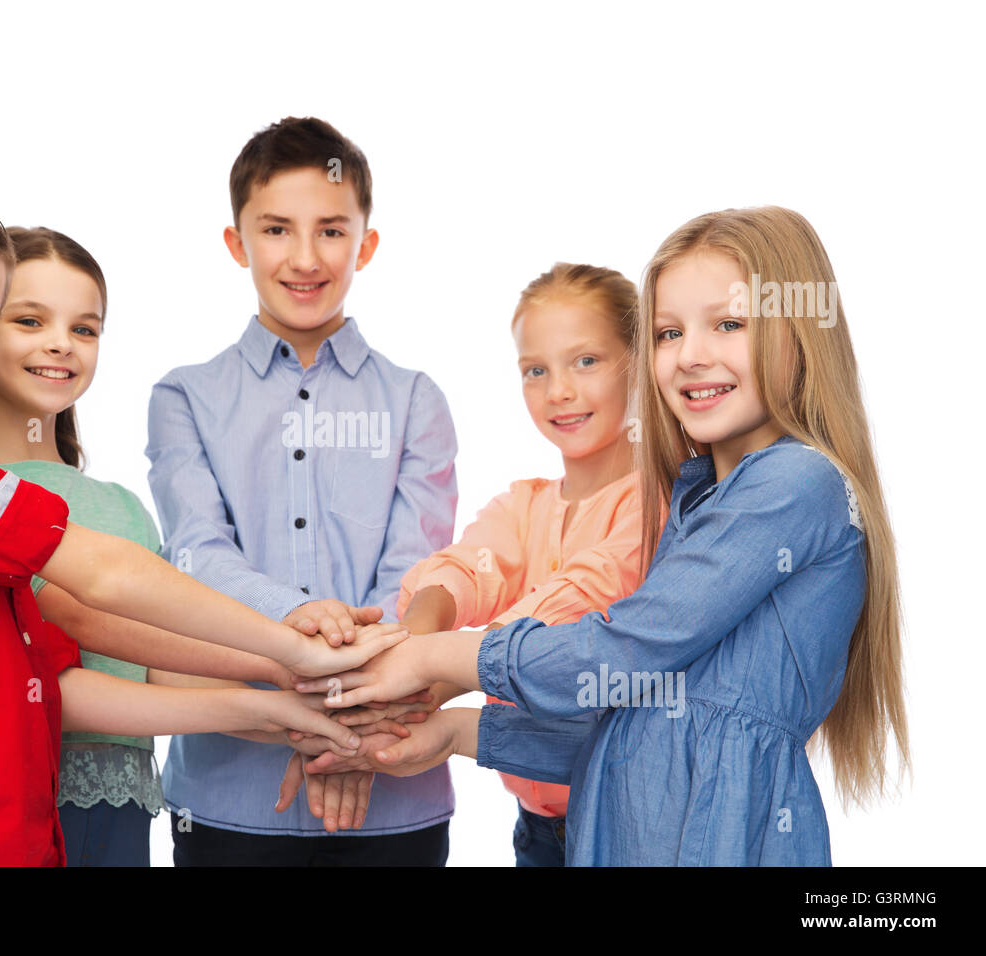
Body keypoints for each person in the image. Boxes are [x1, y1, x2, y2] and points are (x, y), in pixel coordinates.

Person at [0, 174, 407, 866]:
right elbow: (104, 576)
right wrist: (290, 649)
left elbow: (81, 633)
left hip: (6, 834)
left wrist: (277, 693)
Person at [298, 206, 910, 866]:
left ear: (801, 333)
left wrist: (430, 660)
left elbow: (624, 647)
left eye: (729, 324)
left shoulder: (796, 482)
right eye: (670, 332)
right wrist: (450, 733)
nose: (691, 355)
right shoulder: (698, 499)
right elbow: (638, 730)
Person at [146, 117, 459, 865]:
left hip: (394, 788)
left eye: (332, 231)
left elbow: (417, 576)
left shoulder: (416, 400)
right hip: (227, 799)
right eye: (277, 229)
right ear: (238, 243)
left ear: (366, 244)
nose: (306, 258)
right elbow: (197, 556)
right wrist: (294, 615)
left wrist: (348, 728)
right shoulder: (183, 396)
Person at [393, 263, 647, 865]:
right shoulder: (523, 504)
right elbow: (463, 570)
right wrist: (412, 644)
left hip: (628, 826)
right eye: (536, 370)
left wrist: (434, 677)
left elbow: (579, 597)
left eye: (585, 361)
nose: (557, 390)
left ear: (639, 364)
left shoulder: (657, 502)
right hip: (537, 830)